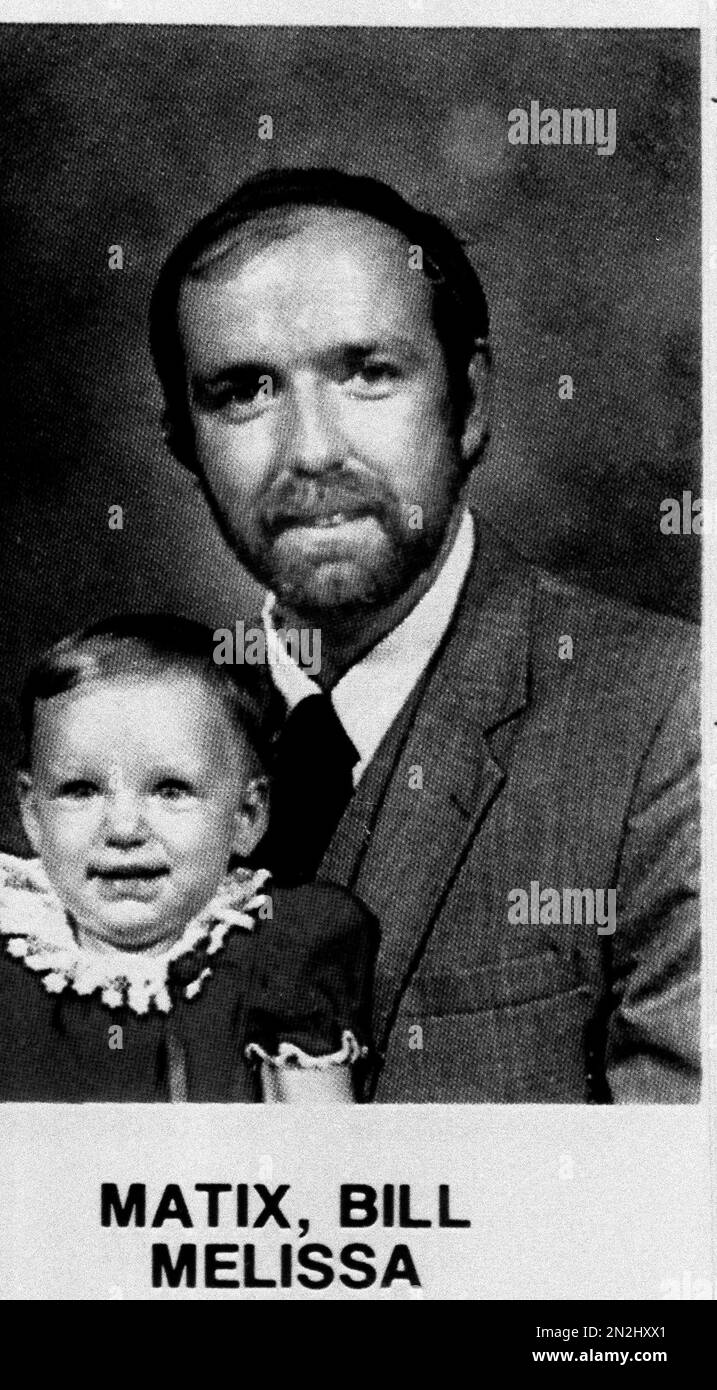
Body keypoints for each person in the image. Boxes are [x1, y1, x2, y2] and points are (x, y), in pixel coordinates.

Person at [148, 167, 700, 1103]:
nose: (312, 449)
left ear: (468, 405)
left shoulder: (672, 721)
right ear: (183, 447)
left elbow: (671, 1219)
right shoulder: (131, 743)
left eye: (368, 373)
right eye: (243, 392)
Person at [0, 613, 377, 1102]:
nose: (123, 829)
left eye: (171, 790)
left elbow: (321, 1165)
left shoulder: (282, 964)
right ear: (32, 813)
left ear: (247, 815)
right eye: (80, 790)